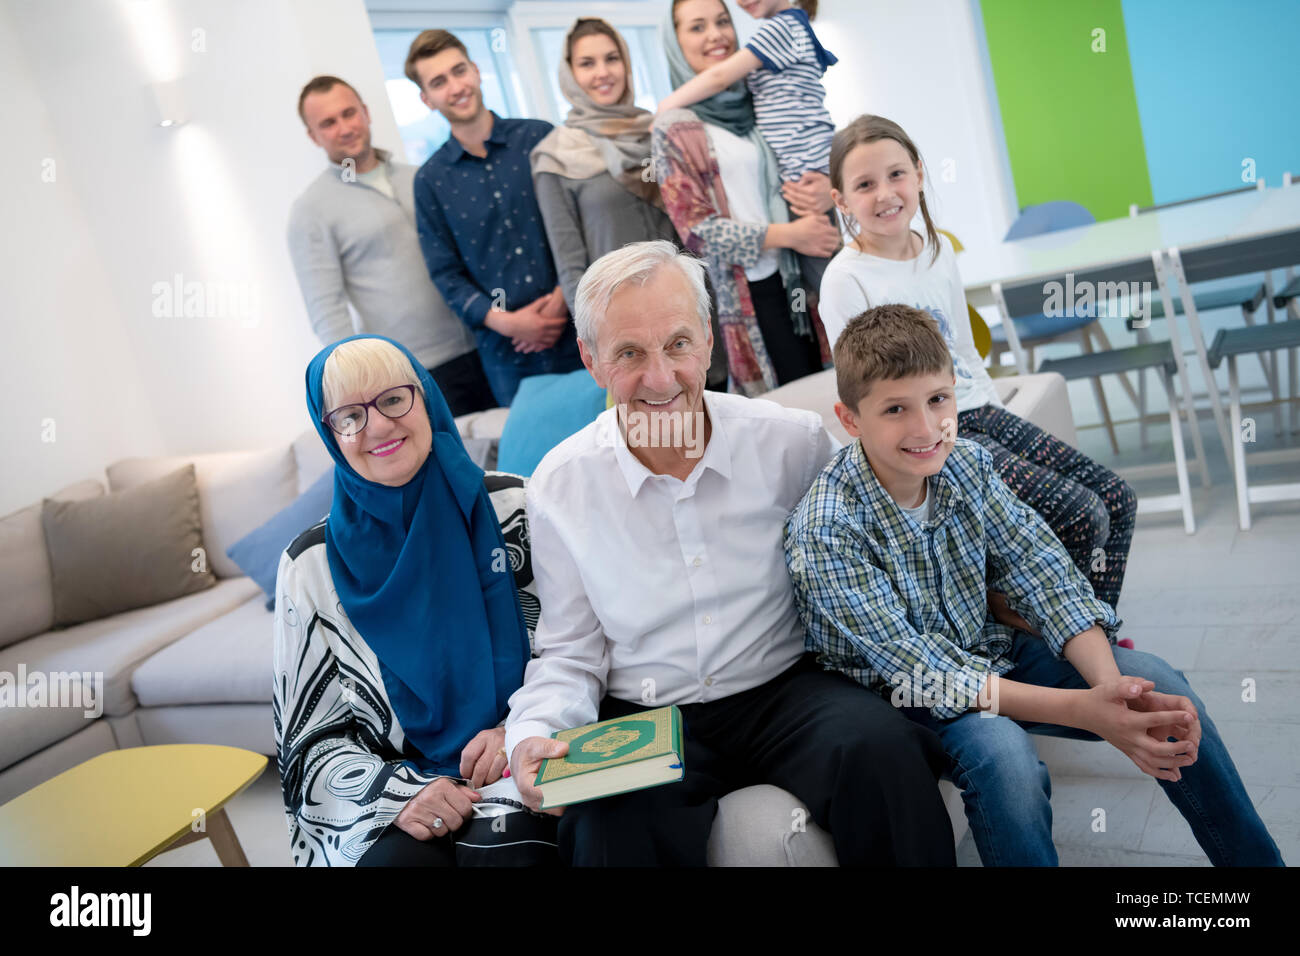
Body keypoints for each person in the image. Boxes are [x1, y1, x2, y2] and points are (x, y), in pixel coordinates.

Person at [505, 241, 956, 867]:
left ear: (710, 342)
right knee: (607, 829)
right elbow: (570, 651)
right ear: (591, 360)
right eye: (630, 353)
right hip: (648, 714)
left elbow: (889, 541)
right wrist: (533, 735)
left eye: (678, 344)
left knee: (881, 752)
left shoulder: (791, 444)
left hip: (788, 690)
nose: (660, 378)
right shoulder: (559, 483)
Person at [784, 305, 1285, 867]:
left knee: (1162, 688)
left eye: (938, 400)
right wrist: (1088, 711)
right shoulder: (826, 529)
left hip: (987, 650)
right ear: (850, 419)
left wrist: (1111, 693)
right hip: (904, 700)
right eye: (895, 409)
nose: (925, 429)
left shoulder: (966, 465)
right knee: (1007, 759)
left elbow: (1046, 575)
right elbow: (924, 673)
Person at [820, 114, 1137, 609]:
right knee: (1083, 513)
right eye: (865, 184)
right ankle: (1067, 634)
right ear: (841, 199)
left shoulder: (938, 250)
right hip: (933, 430)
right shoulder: (846, 279)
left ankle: (1095, 632)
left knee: (1117, 499)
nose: (885, 194)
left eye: (897, 175)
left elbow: (962, 350)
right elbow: (864, 390)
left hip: (977, 408)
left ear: (920, 175)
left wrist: (998, 415)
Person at [272, 333, 554, 866]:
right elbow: (308, 742)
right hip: (395, 788)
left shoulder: (515, 504)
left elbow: (580, 647)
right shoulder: (306, 564)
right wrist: (397, 796)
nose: (377, 425)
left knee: (514, 854)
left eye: (394, 400)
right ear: (330, 434)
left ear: (426, 397)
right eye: (349, 416)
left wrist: (518, 727)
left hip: (526, 755)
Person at [653, 0, 839, 396]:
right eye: (697, 27)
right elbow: (698, 233)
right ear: (675, 41)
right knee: (791, 410)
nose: (716, 34)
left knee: (838, 393)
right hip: (751, 293)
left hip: (800, 276)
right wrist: (789, 235)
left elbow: (809, 138)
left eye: (722, 21)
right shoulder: (672, 125)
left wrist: (829, 185)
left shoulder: (756, 99)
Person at [287, 76, 495, 417]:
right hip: (415, 372)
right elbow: (327, 312)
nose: (344, 127)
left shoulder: (421, 176)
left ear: (366, 113)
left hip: (487, 344)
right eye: (328, 123)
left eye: (348, 113)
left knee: (520, 458)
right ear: (313, 136)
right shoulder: (311, 210)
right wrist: (363, 384)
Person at [407, 30, 582, 406]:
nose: (455, 87)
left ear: (476, 70)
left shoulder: (540, 138)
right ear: (427, 98)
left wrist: (562, 296)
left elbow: (579, 226)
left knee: (612, 445)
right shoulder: (430, 181)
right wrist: (509, 322)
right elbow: (446, 274)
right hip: (508, 356)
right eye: (439, 82)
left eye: (459, 71)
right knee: (534, 463)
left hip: (580, 326)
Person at [530, 19, 681, 314]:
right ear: (570, 74)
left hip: (692, 303)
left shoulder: (659, 131)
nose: (603, 73)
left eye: (612, 59)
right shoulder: (556, 155)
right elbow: (571, 269)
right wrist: (599, 340)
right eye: (587, 63)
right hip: (624, 319)